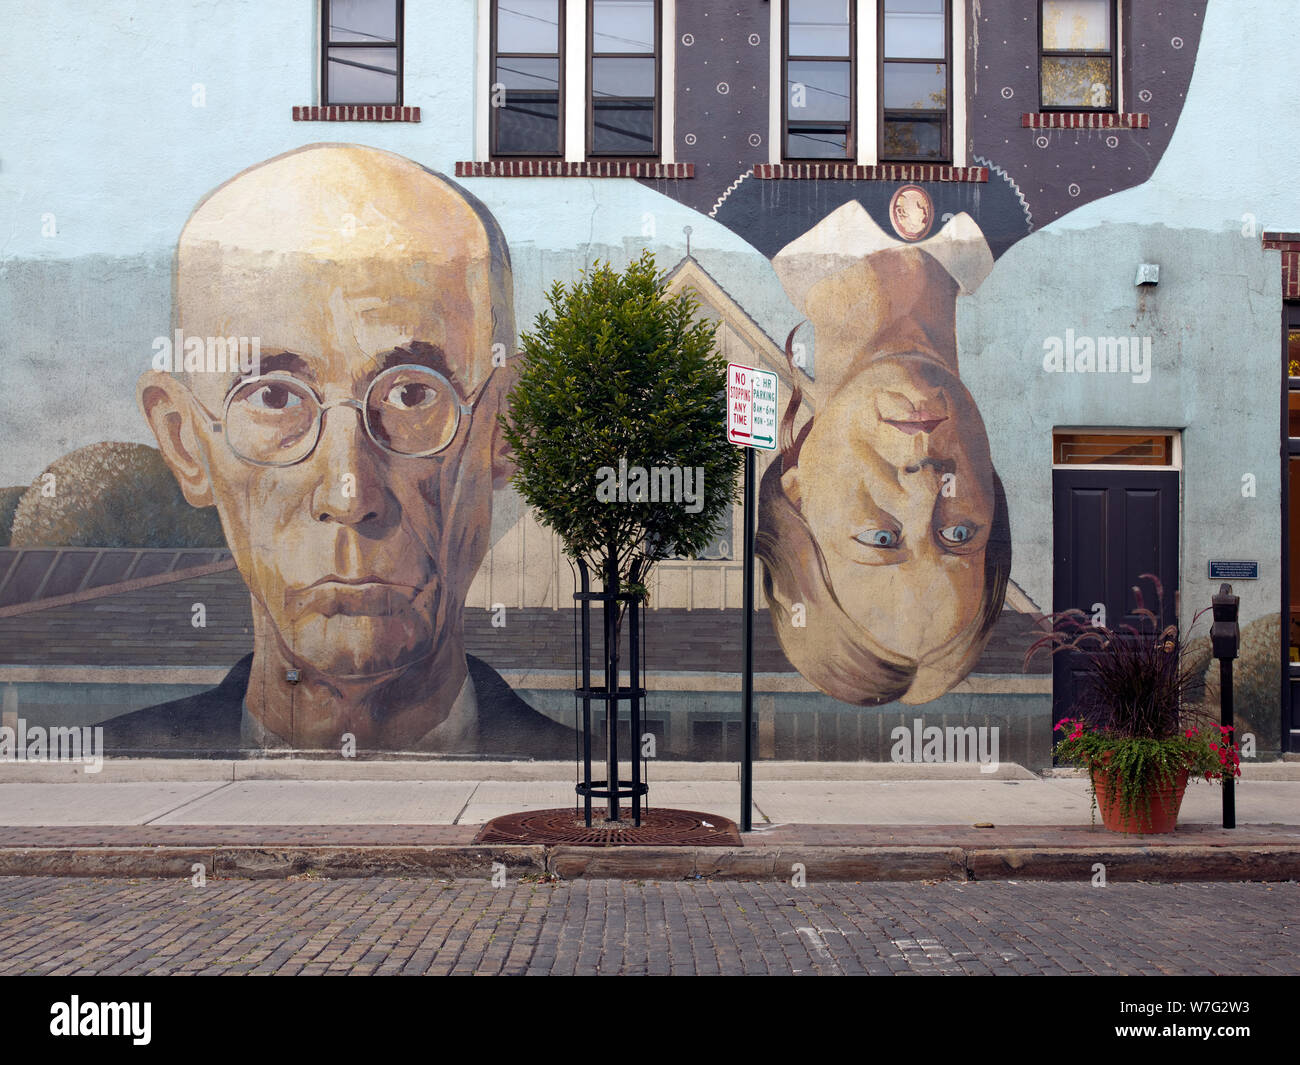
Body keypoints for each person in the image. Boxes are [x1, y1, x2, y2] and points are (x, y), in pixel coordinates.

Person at [105, 144, 573, 756]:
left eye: (411, 394)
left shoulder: (572, 772)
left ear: (506, 429)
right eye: (274, 398)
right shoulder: (115, 761)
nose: (350, 493)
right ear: (185, 442)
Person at [758, 200, 1011, 706]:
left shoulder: (748, 197)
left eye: (880, 537)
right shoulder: (1025, 202)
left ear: (798, 490)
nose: (924, 485)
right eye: (958, 534)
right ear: (989, 492)